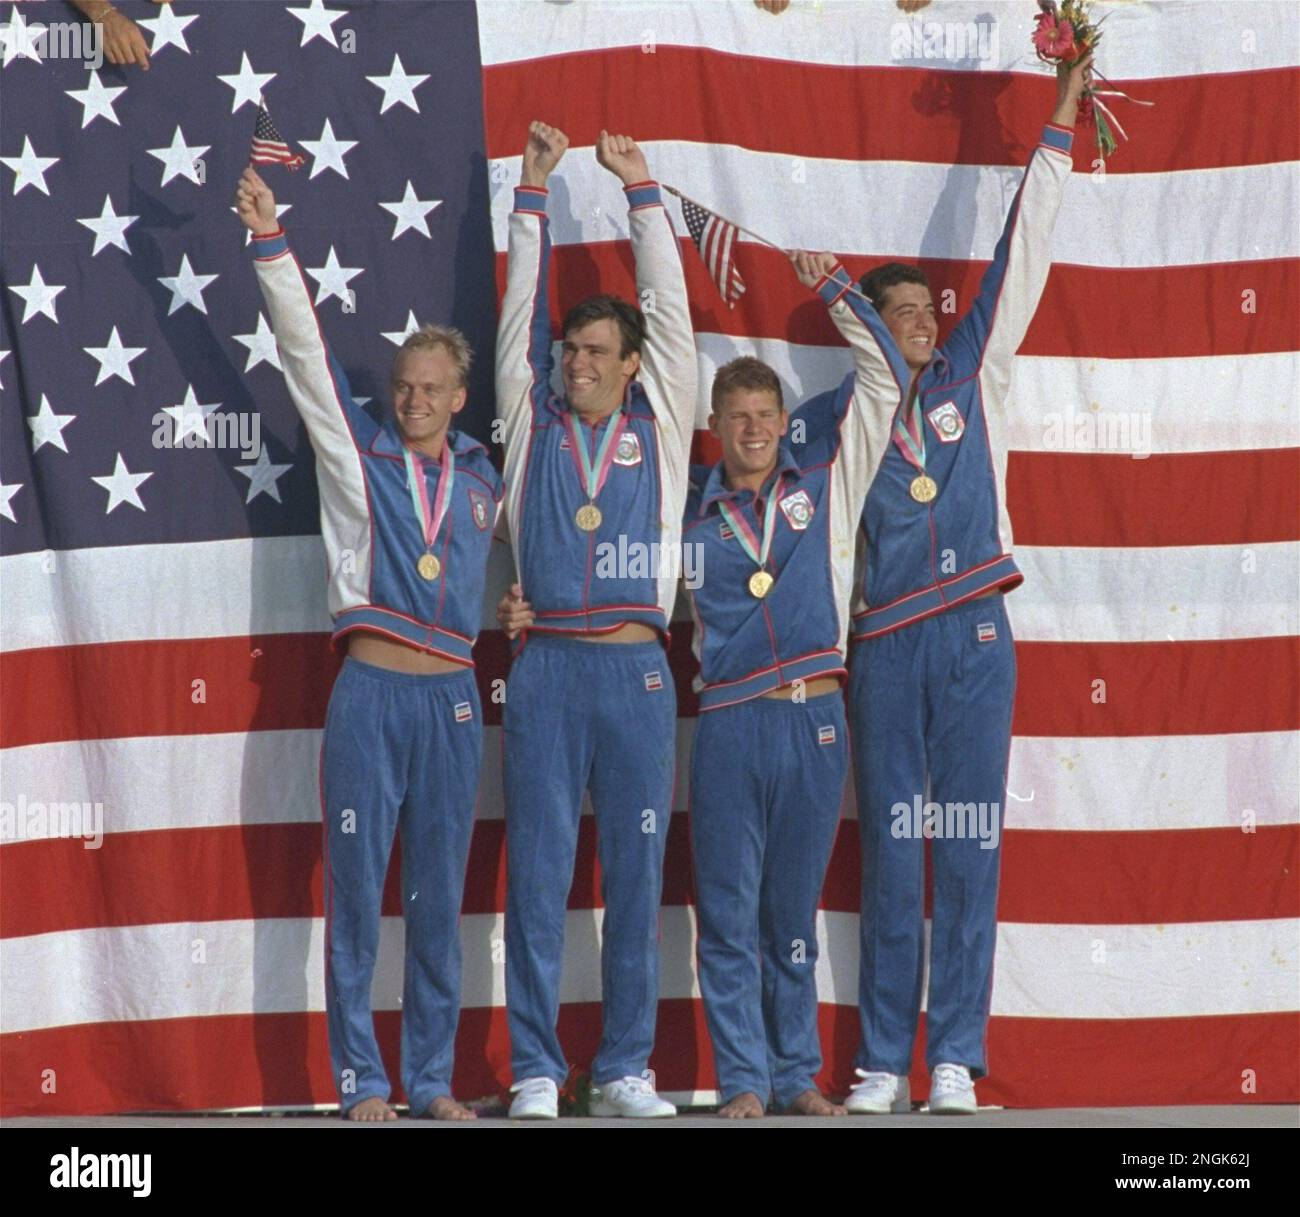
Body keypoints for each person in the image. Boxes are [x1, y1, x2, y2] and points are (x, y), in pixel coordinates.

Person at [501, 252, 901, 1118]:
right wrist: (530, 604)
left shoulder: (828, 489)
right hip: (724, 721)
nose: (753, 428)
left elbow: (885, 381)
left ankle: (795, 1074)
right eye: (737, 415)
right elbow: (604, 565)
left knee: (791, 914)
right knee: (725, 917)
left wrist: (833, 287)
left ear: (785, 422)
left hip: (814, 716)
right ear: (712, 423)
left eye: (766, 414)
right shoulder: (683, 522)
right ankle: (747, 1081)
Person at [795, 58, 1090, 1115]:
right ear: (868, 327)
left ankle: (954, 1054)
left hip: (971, 634)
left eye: (927, 306)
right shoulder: (832, 424)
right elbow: (780, 535)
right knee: (889, 852)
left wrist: (1058, 115)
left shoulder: (975, 373)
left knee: (966, 842)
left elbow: (1021, 252)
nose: (923, 320)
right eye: (902, 310)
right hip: (882, 646)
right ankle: (882, 1058)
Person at [235, 166, 503, 1123]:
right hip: (373, 695)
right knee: (357, 899)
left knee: (438, 901)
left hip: (455, 702)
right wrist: (272, 244)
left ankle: (429, 1080)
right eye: (402, 387)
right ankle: (362, 1080)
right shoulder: (360, 456)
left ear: (461, 395)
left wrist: (521, 605)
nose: (413, 400)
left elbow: (541, 554)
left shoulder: (482, 481)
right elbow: (306, 357)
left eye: (431, 388)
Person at [494, 124, 697, 1119]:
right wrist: (531, 191)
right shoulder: (530, 420)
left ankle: (624, 1067)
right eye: (570, 348)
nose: (575, 360)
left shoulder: (660, 418)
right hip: (545, 671)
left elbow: (669, 308)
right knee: (537, 872)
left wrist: (640, 192)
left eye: (594, 351)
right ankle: (536, 1066)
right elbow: (516, 320)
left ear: (630, 366)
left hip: (636, 674)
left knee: (636, 874)